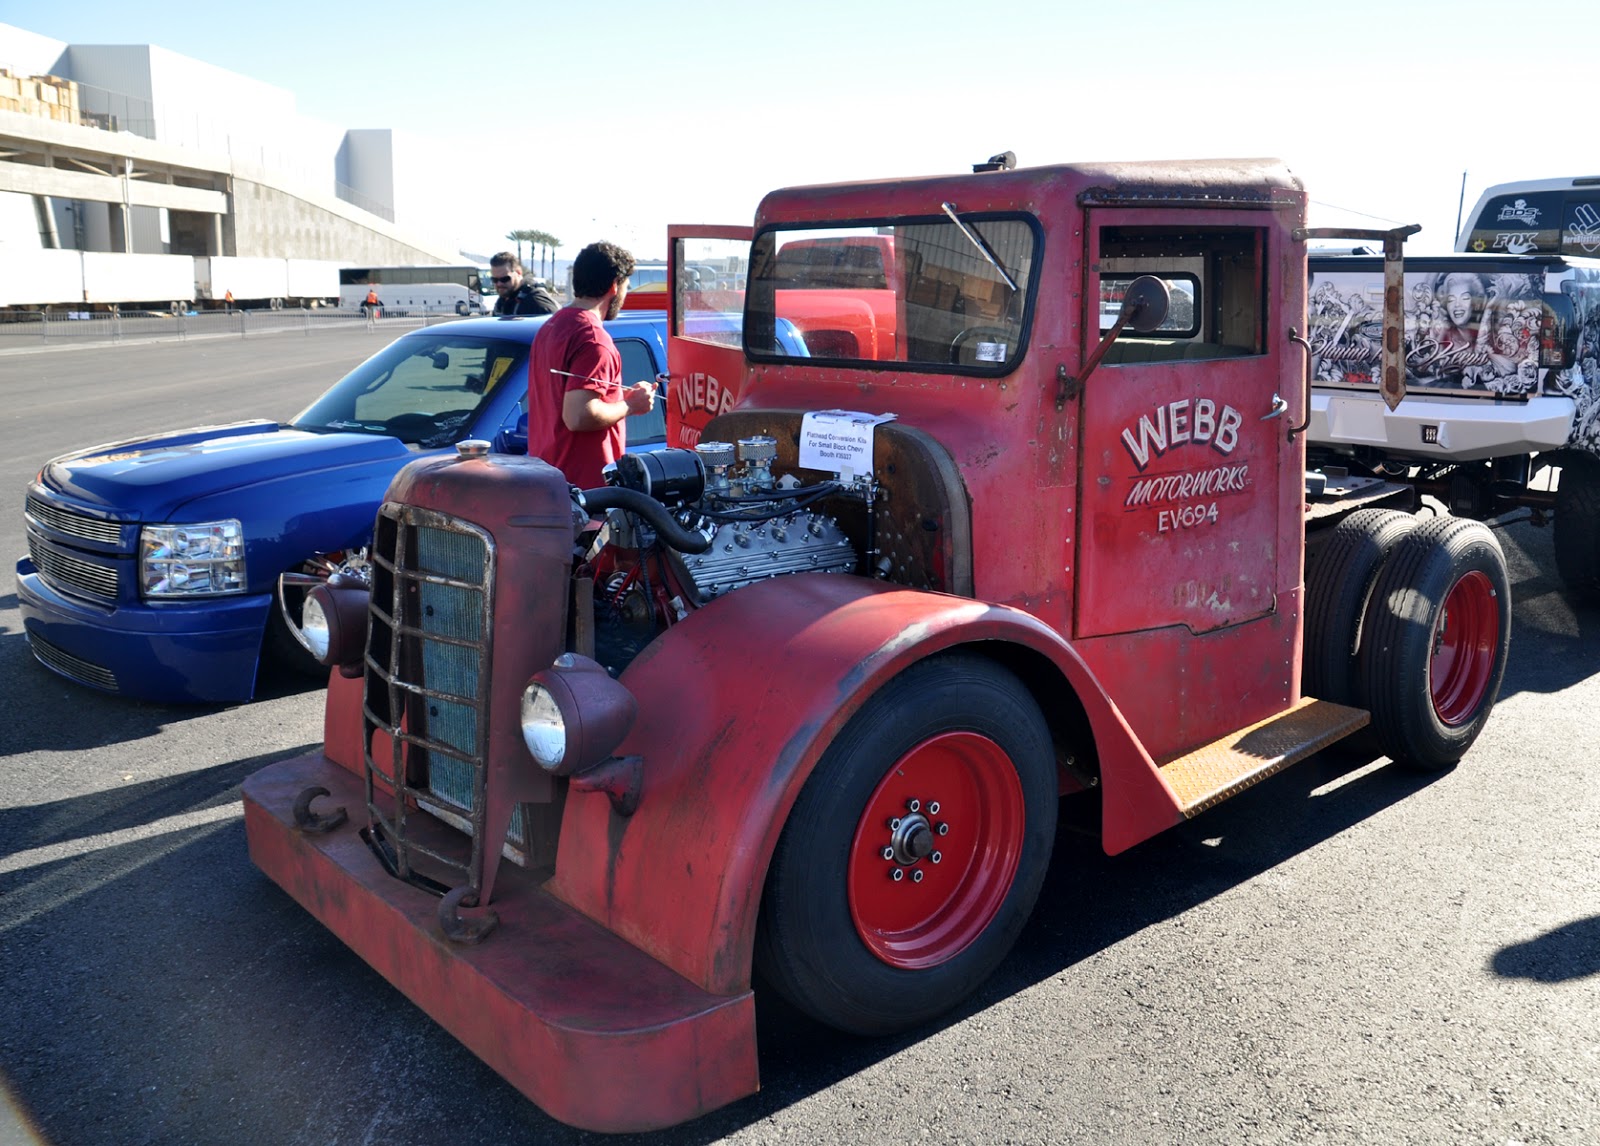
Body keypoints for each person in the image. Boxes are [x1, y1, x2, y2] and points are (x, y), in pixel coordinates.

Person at [526, 241, 654, 489]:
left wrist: (620, 400)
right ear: (614, 286)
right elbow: (578, 416)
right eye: (627, 286)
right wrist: (630, 404)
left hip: (549, 482)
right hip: (585, 492)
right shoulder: (594, 339)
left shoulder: (552, 327)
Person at [489, 252, 559, 315]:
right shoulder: (502, 301)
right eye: (495, 280)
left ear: (519, 273)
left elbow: (557, 322)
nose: (499, 284)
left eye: (504, 279)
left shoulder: (535, 300)